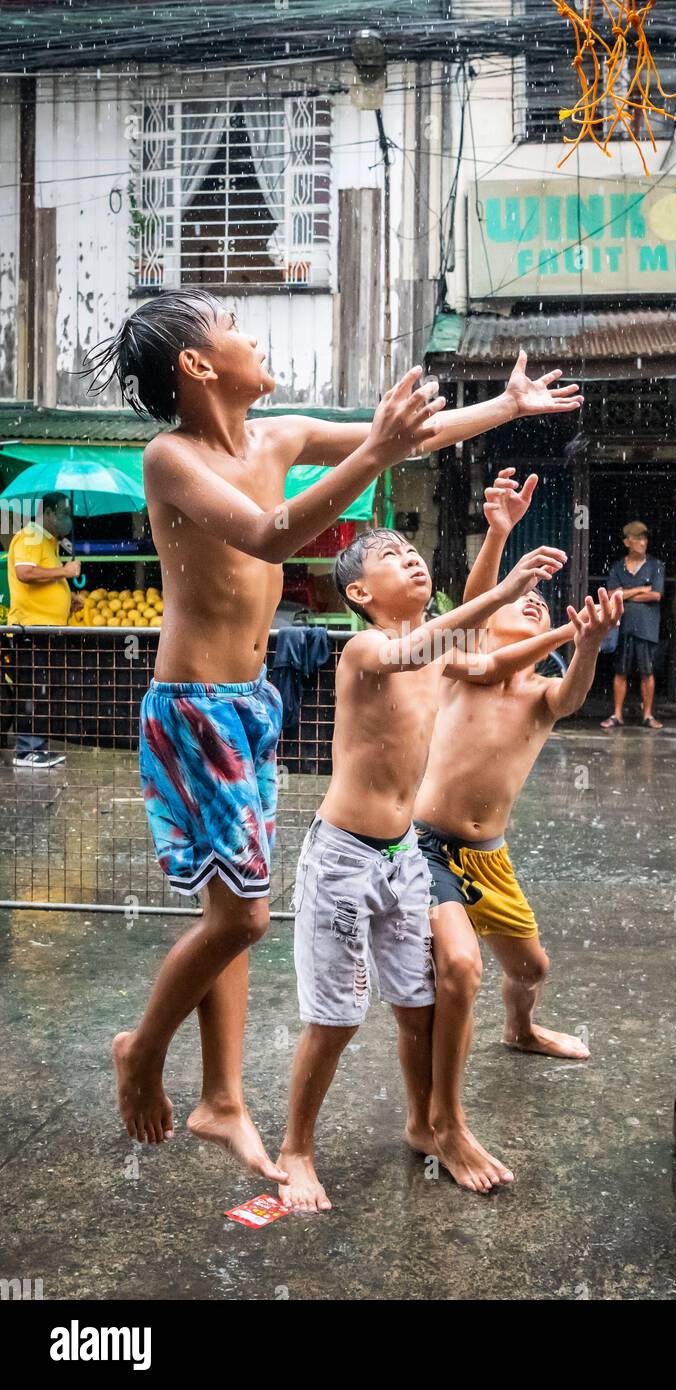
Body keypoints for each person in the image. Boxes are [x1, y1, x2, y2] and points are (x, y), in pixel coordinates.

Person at [85, 288, 582, 1180]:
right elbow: (274, 536)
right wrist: (376, 452)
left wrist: (504, 407)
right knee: (240, 920)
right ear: (198, 366)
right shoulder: (171, 458)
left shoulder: (277, 438)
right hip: (195, 710)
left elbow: (410, 437)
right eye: (232, 328)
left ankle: (222, 1098)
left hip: (247, 702)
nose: (251, 335)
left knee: (229, 912)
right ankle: (143, 1050)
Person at [276, 526, 570, 1211]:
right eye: (390, 558)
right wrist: (502, 590)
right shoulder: (369, 648)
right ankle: (295, 1149)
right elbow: (422, 647)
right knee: (338, 1019)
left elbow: (492, 666)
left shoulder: (441, 650)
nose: (410, 560)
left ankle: (424, 1124)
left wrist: (570, 635)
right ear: (358, 592)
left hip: (403, 855)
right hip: (345, 859)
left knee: (418, 1006)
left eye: (414, 553)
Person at [412, 471, 622, 1191]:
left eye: (542, 607)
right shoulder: (461, 667)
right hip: (425, 847)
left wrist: (588, 642)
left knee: (530, 971)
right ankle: (447, 1122)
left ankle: (521, 1029)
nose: (531, 603)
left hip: (489, 859)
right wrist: (498, 532)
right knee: (460, 970)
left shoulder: (539, 693)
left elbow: (572, 690)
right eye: (521, 600)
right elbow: (473, 610)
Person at [6, 492, 82, 768]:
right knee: (32, 687)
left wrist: (67, 599)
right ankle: (26, 751)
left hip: (46, 629)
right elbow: (24, 572)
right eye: (63, 513)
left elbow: (40, 578)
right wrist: (65, 572)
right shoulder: (31, 537)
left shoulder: (48, 542)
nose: (67, 520)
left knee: (42, 689)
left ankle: (36, 747)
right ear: (48, 512)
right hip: (31, 629)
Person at [601, 519, 664, 730]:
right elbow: (611, 595)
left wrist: (625, 595)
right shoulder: (619, 567)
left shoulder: (655, 565)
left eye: (644, 538)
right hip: (623, 627)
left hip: (646, 628)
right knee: (620, 671)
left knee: (647, 671)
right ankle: (617, 714)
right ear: (627, 542)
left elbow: (655, 595)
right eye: (637, 538)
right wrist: (640, 590)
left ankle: (648, 715)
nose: (642, 542)